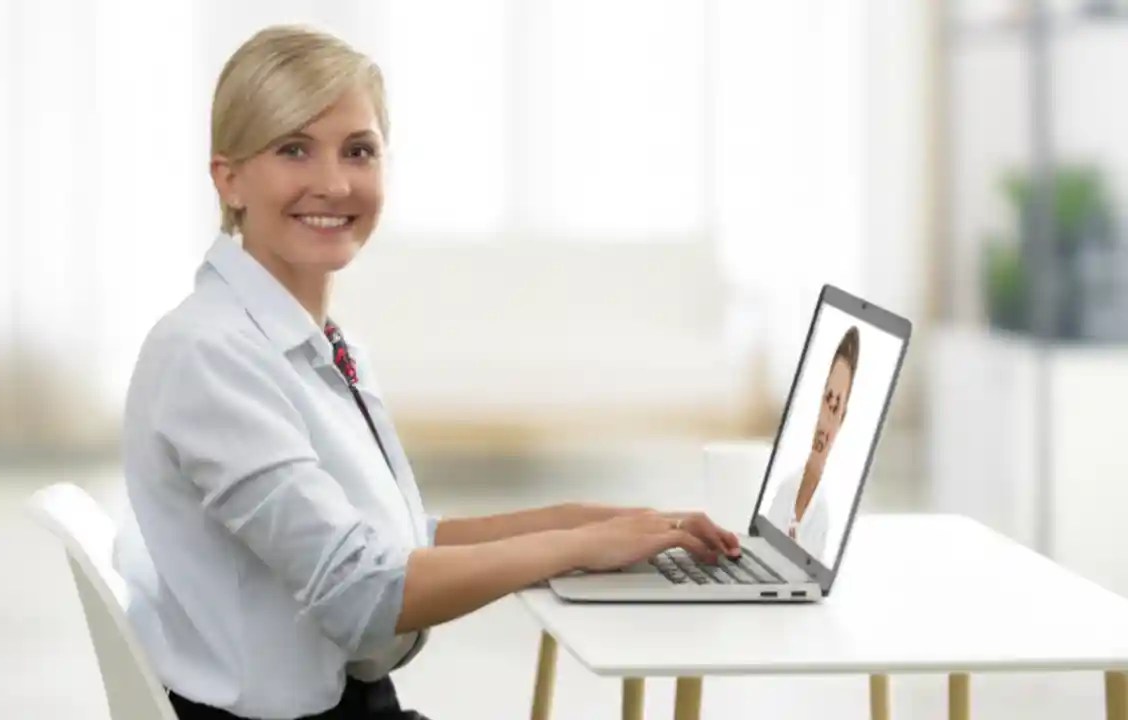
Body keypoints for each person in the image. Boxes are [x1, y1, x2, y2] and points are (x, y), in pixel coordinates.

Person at [112, 25, 743, 720]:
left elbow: (396, 544)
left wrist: (590, 524)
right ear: (228, 178)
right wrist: (575, 546)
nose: (334, 182)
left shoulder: (313, 338)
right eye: (294, 148)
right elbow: (364, 594)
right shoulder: (210, 354)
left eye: (359, 151)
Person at [764, 326, 861, 560]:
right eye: (827, 398)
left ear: (843, 418)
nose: (827, 416)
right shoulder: (786, 488)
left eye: (836, 407)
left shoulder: (828, 514)